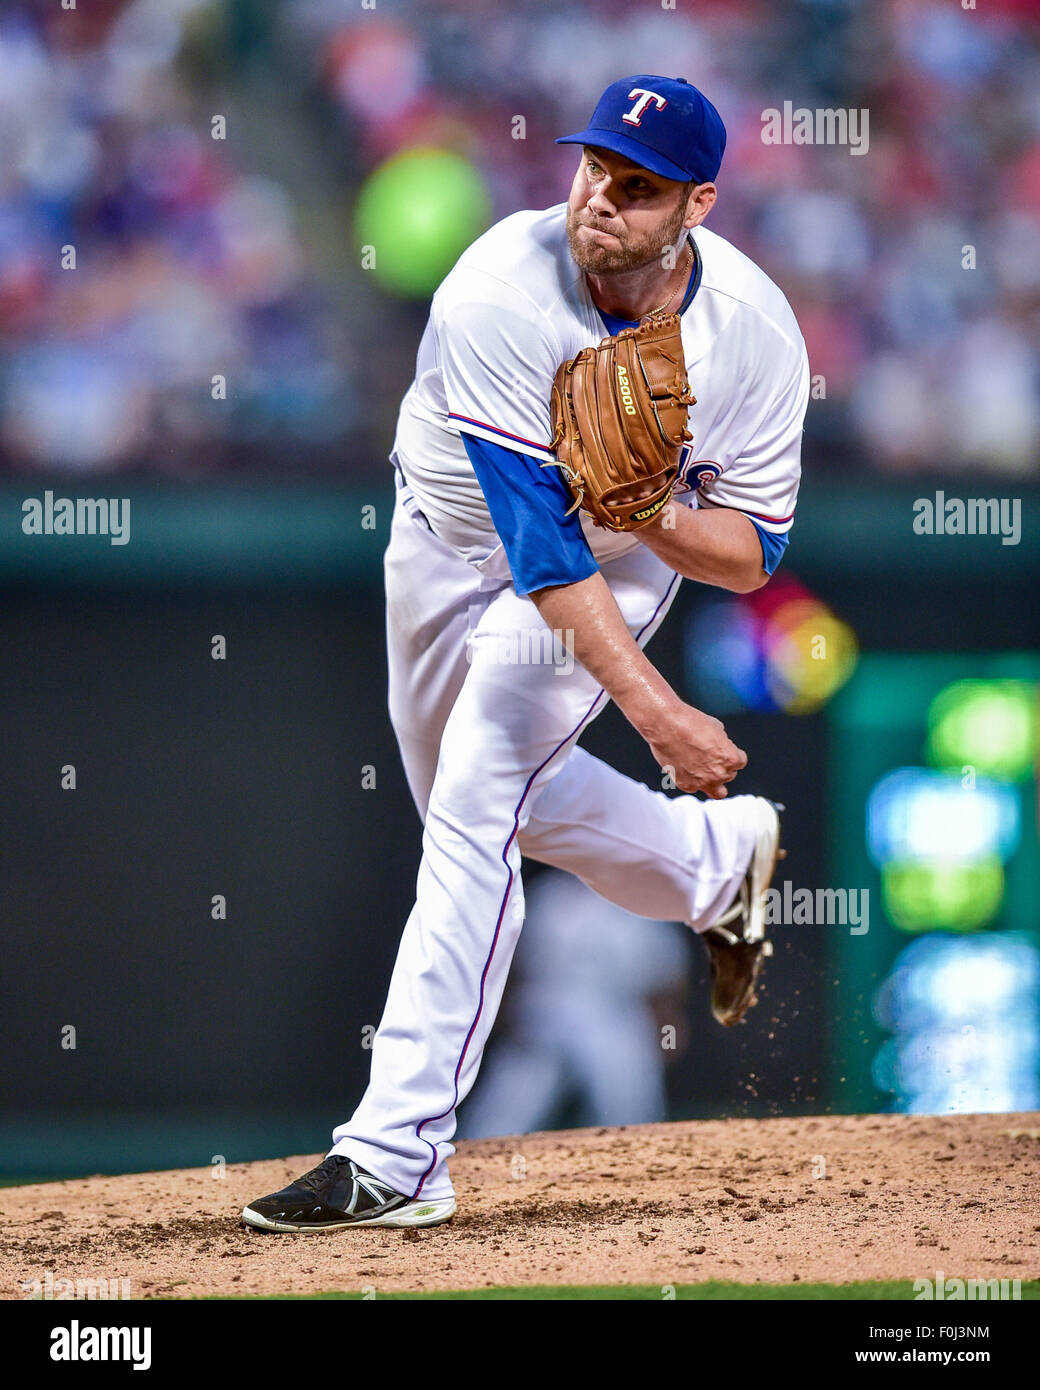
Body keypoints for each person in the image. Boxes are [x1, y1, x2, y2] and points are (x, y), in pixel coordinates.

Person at [243, 74, 807, 1233]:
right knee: (491, 802)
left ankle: (394, 1153)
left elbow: (748, 555)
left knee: (475, 798)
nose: (600, 197)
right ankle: (715, 861)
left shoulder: (752, 334)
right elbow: (536, 549)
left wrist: (648, 510)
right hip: (449, 541)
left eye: (636, 186)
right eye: (593, 164)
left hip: (620, 555)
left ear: (695, 204)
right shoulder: (500, 285)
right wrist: (657, 714)